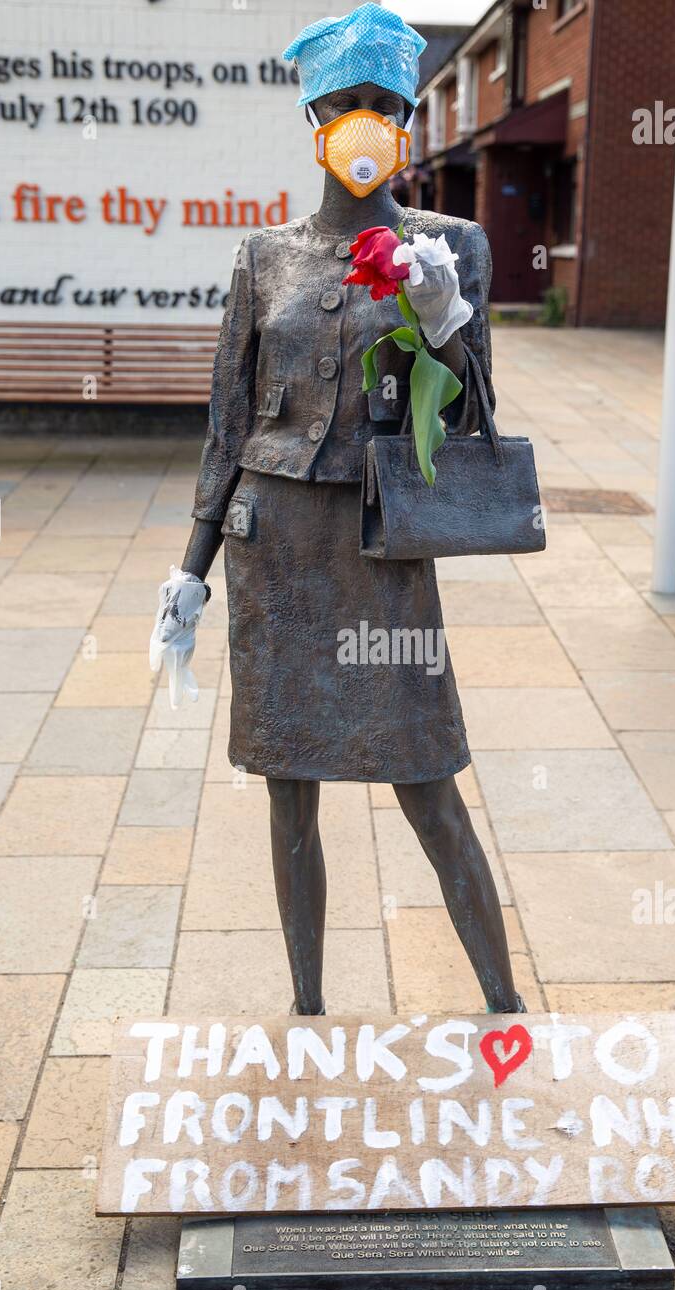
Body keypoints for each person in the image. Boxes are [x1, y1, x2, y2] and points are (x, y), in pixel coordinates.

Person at [150, 4, 524, 1017]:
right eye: (348, 103)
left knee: (426, 776)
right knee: (287, 790)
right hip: (269, 545)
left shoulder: (449, 246)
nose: (366, 121)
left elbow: (476, 412)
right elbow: (229, 420)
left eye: (385, 105)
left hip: (378, 543)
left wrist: (441, 317)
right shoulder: (264, 256)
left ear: (404, 120)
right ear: (315, 117)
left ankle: (508, 1014)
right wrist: (189, 567)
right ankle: (306, 1011)